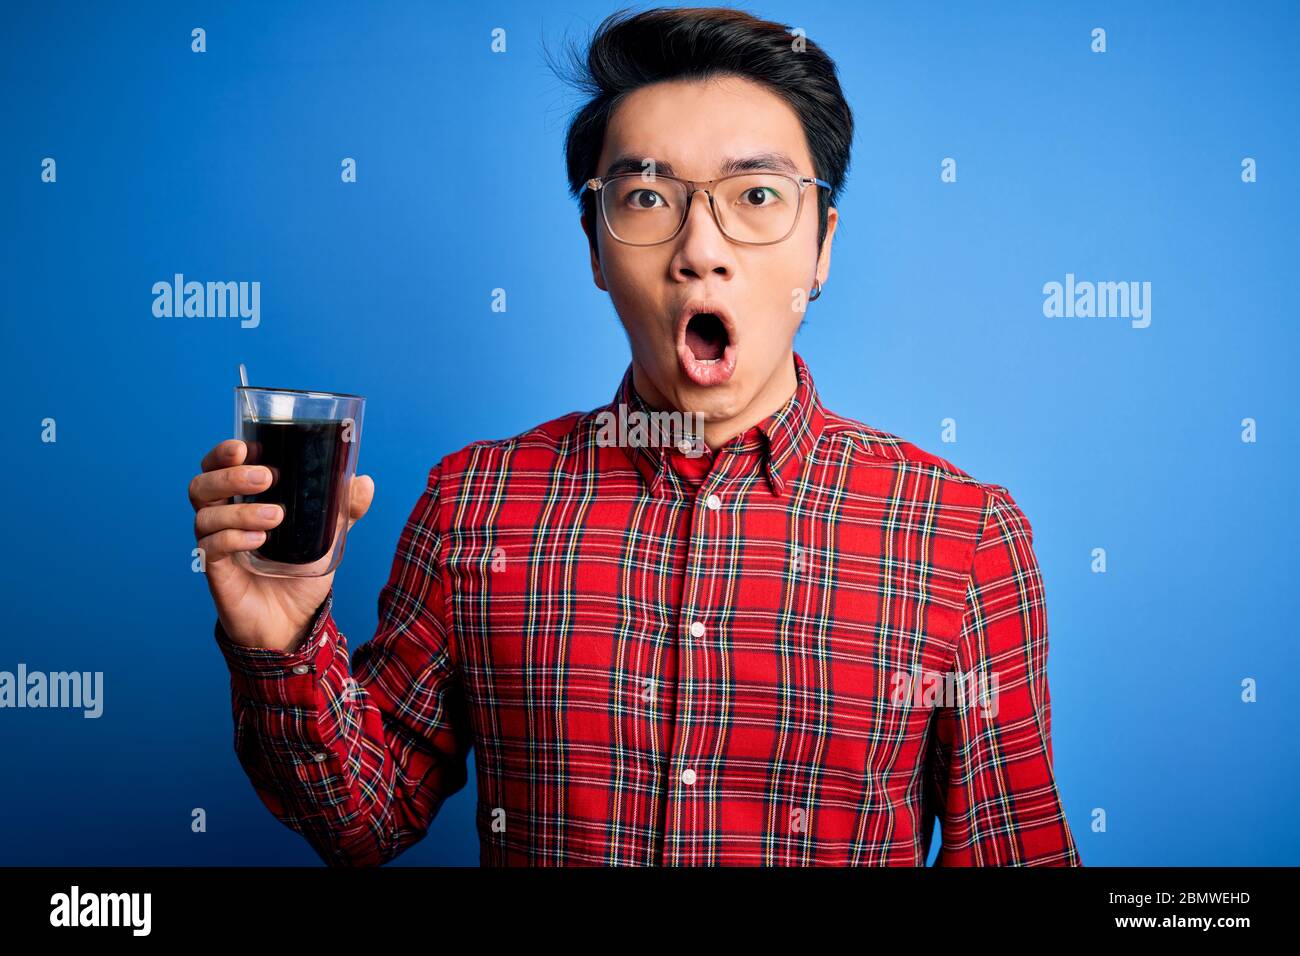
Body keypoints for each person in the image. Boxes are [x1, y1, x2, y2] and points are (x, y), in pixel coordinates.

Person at [188, 6, 1081, 866]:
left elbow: (1014, 852)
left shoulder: (961, 538)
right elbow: (363, 824)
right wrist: (282, 644)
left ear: (822, 248)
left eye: (758, 194)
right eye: (648, 197)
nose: (701, 248)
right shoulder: (475, 506)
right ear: (594, 248)